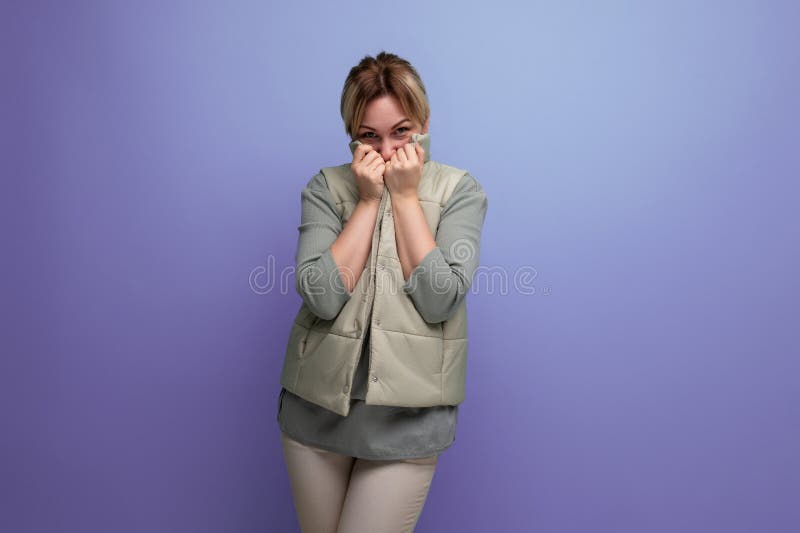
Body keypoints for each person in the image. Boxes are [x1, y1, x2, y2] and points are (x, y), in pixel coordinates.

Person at [276, 51, 488, 533]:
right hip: (314, 415)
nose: (388, 151)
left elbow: (439, 299)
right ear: (351, 132)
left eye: (402, 131)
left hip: (406, 423)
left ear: (425, 123)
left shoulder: (460, 191)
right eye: (369, 136)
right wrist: (370, 199)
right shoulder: (326, 188)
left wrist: (407, 197)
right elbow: (323, 296)